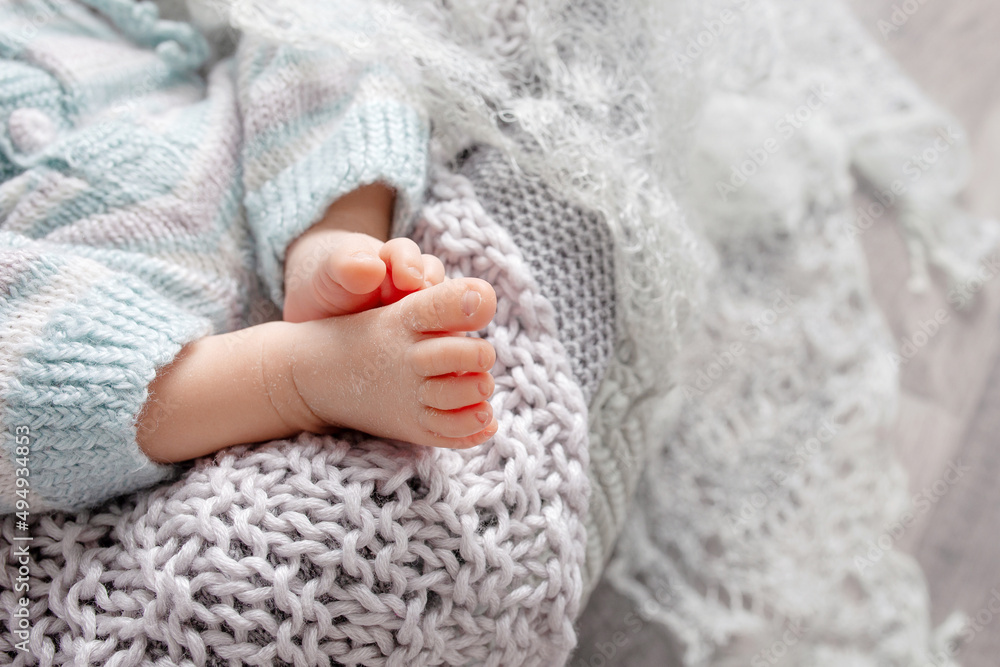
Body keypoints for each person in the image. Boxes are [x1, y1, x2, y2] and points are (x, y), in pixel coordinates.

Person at [0, 0, 497, 515]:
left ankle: (334, 237)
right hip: (101, 314)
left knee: (322, 22)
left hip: (246, 150)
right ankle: (290, 376)